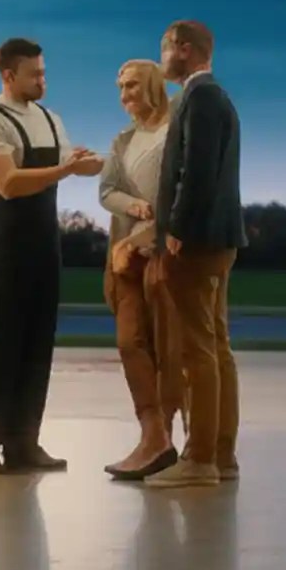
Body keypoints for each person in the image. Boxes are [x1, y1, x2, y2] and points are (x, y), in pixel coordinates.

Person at [0, 37, 104, 475]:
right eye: (35, 74)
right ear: (8, 76)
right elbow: (9, 183)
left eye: (44, 72)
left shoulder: (50, 119)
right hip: (9, 241)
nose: (43, 80)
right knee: (3, 341)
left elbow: (68, 161)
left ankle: (24, 444)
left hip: (46, 240)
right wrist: (64, 170)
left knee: (39, 342)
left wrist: (95, 162)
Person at [145, 20, 248, 489]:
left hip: (196, 241)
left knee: (197, 350)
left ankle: (200, 458)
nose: (161, 58)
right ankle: (222, 455)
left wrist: (177, 231)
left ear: (182, 49)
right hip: (217, 239)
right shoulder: (215, 97)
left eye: (164, 49)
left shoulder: (200, 97)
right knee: (217, 346)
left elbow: (196, 171)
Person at [97, 59, 185, 481]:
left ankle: (168, 437)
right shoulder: (123, 139)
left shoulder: (176, 133)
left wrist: (141, 236)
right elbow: (106, 190)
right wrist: (131, 207)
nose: (124, 95)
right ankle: (152, 434)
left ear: (152, 84)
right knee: (130, 341)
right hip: (125, 257)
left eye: (131, 85)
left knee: (170, 348)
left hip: (164, 252)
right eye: (120, 88)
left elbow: (178, 196)